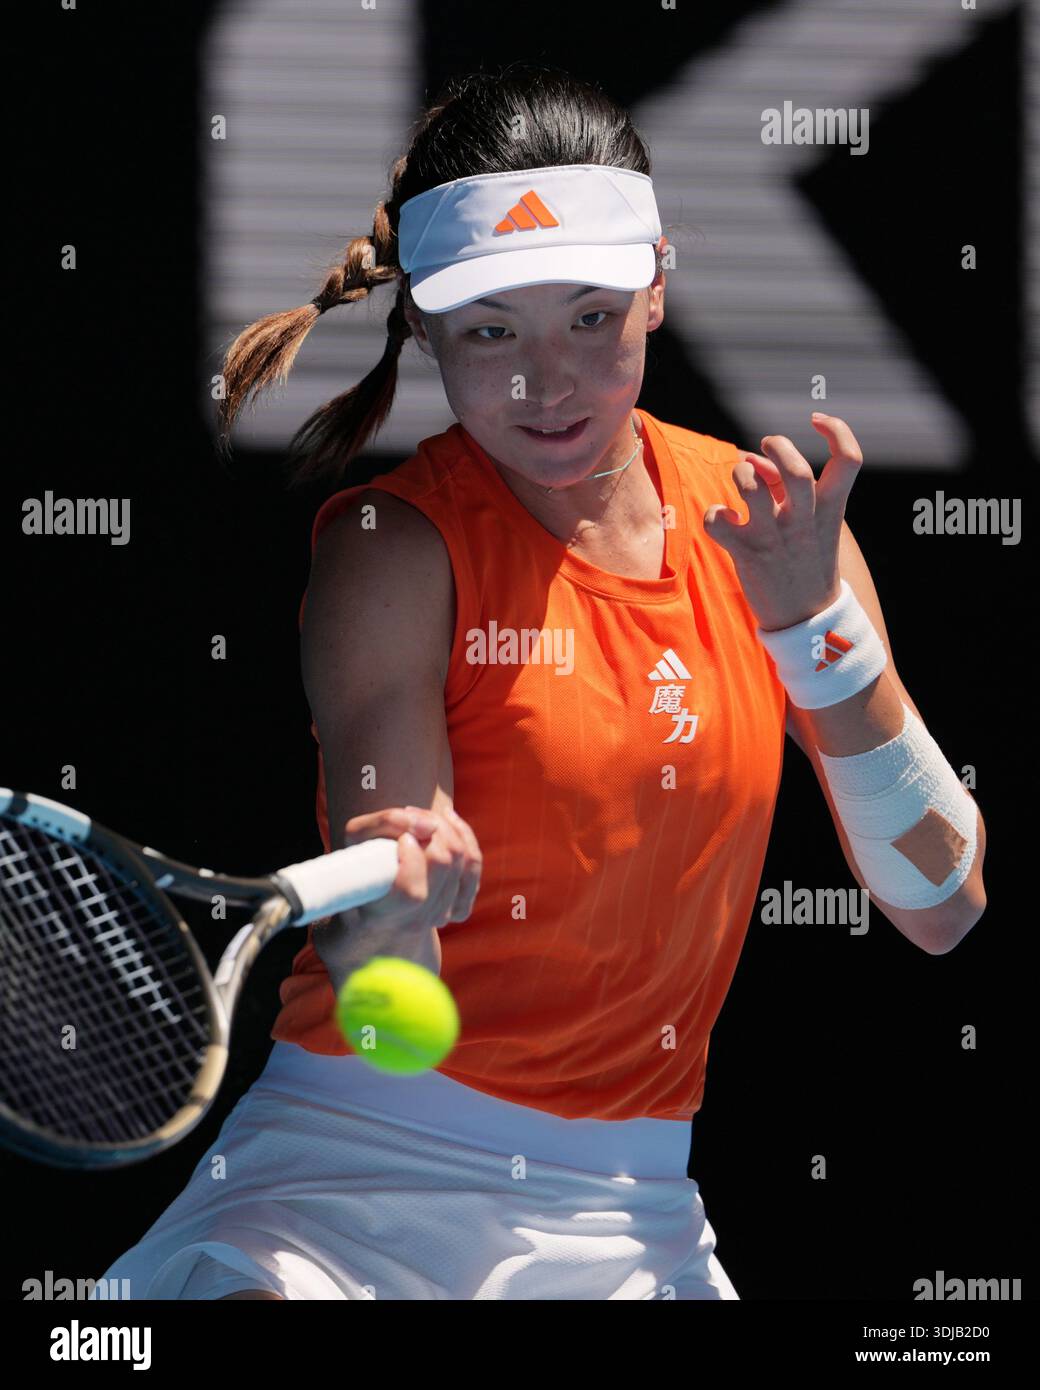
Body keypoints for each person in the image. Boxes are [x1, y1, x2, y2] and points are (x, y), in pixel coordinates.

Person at [93, 64, 986, 1302]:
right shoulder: (390, 548)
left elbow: (941, 903)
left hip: (635, 1217)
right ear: (423, 332)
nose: (545, 381)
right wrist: (390, 931)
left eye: (588, 317)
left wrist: (810, 627)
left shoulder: (772, 530)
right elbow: (376, 962)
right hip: (344, 1181)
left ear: (657, 284)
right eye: (491, 333)